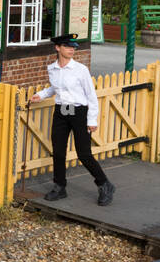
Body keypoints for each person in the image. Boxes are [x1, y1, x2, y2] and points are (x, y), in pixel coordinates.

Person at [26, 33, 115, 205]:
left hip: (79, 113)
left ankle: (104, 184)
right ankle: (60, 187)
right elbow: (55, 88)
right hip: (61, 112)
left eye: (73, 47)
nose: (72, 49)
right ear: (57, 48)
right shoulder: (52, 68)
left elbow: (91, 95)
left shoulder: (80, 70)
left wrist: (92, 120)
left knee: (84, 153)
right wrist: (41, 95)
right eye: (67, 46)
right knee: (58, 151)